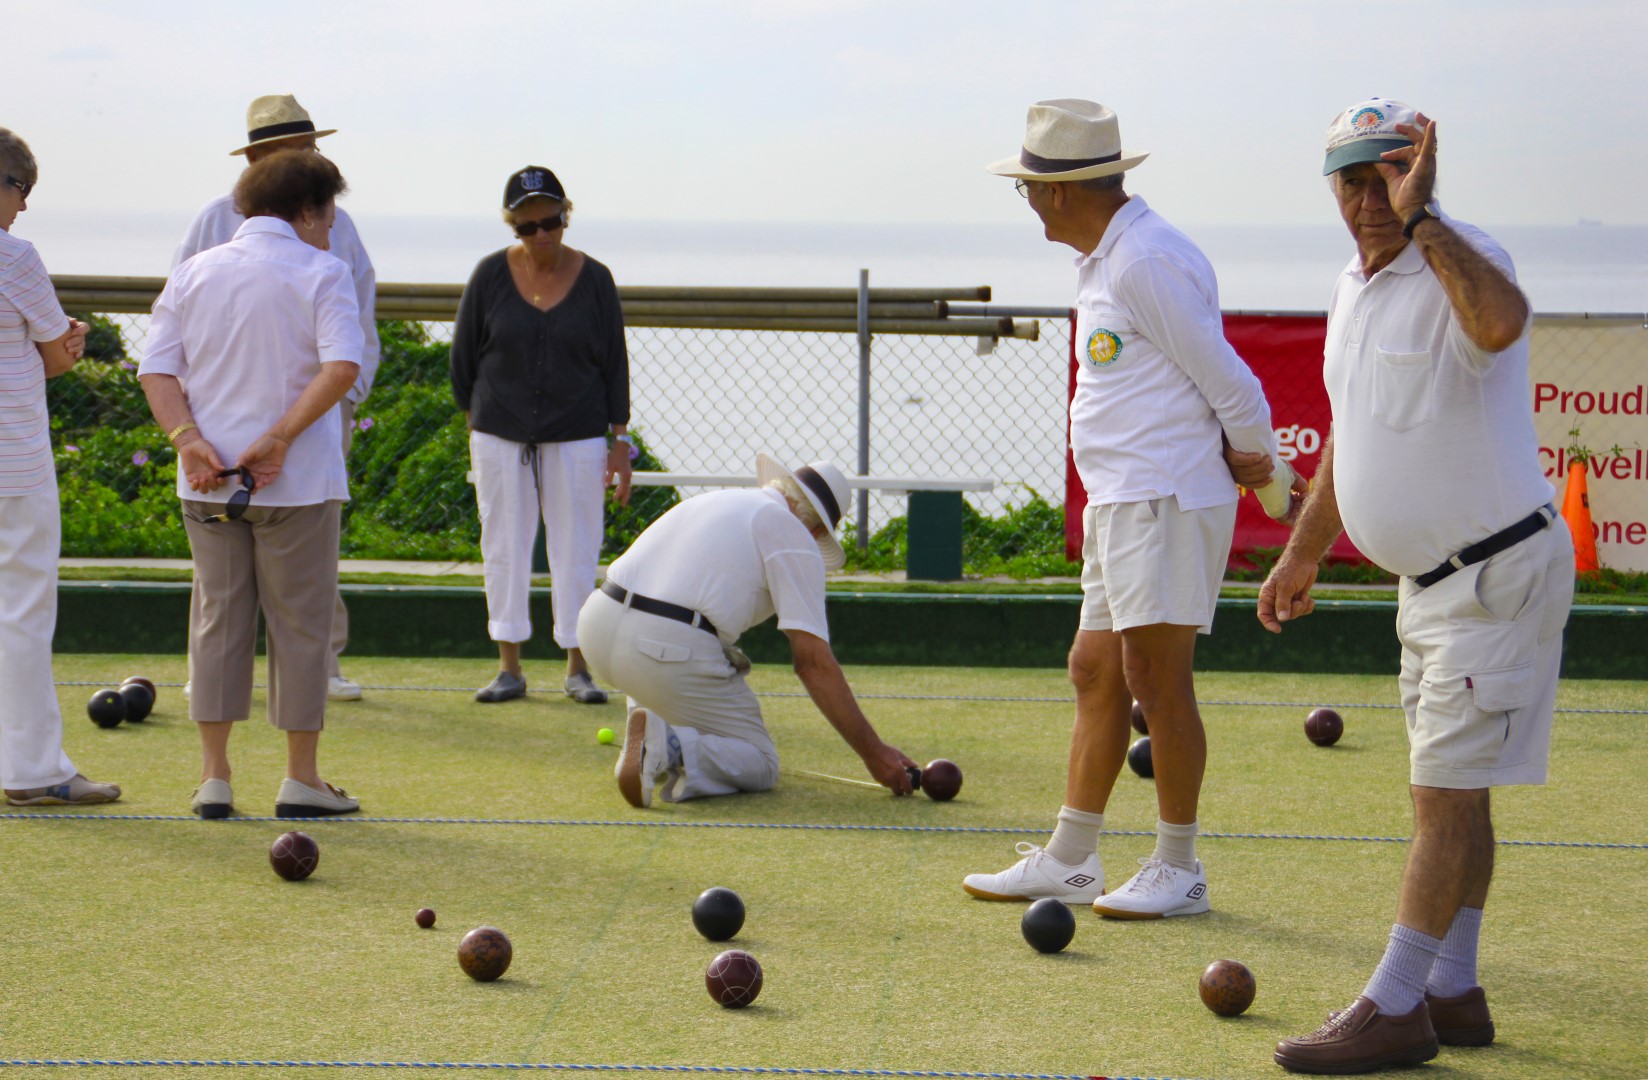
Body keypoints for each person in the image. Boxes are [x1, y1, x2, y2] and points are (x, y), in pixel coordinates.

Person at [1265, 99, 1573, 1074]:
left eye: (1388, 175)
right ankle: (1453, 990)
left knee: (1440, 800)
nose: (1369, 200)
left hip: (1493, 576)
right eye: (1351, 182)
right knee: (1460, 795)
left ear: (1421, 172)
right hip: (1432, 586)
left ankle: (1394, 1005)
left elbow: (1500, 324)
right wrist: (1302, 550)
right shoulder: (1348, 287)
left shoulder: (1459, 257)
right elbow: (1351, 437)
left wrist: (1424, 219)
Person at [961, 99, 1300, 918]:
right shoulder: (1108, 258)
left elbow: (1229, 381)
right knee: (1094, 669)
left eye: (1031, 191)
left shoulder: (1144, 260)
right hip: (1124, 502)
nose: (1030, 205)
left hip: (1165, 497)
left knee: (1156, 677)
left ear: (1063, 192)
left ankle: (1179, 869)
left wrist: (1266, 472)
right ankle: (1073, 859)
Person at [140, 151, 366, 820]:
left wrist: (189, 442)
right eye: (329, 213)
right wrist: (281, 438)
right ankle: (301, 778)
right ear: (309, 210)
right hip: (296, 486)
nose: (332, 227)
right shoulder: (323, 271)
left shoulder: (193, 272)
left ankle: (214, 776)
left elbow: (157, 373)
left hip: (207, 482)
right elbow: (342, 367)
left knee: (217, 620)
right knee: (301, 627)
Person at [173, 93, 379, 703]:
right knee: (218, 557)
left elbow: (360, 312)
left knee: (315, 542)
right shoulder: (214, 219)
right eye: (299, 148)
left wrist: (347, 398)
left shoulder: (338, 221)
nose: (311, 158)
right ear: (260, 157)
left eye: (313, 147)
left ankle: (324, 664)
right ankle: (210, 669)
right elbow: (182, 315)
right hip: (221, 412)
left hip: (316, 407)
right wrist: (192, 419)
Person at [577, 455, 918, 807]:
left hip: (595, 624)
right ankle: (667, 743)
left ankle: (652, 734)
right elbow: (812, 664)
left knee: (667, 665)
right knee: (761, 762)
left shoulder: (719, 501)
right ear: (818, 531)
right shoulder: (794, 535)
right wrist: (875, 753)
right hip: (661, 649)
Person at [449, 166, 632, 706]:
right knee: (502, 545)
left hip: (577, 433)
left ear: (565, 216)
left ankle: (579, 666)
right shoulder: (488, 276)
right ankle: (509, 667)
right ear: (513, 227)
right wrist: (477, 425)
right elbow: (464, 362)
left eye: (551, 221)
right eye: (528, 227)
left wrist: (619, 441)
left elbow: (614, 363)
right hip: (499, 435)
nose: (542, 234)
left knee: (576, 547)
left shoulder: (596, 279)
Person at [0, 128, 121, 807]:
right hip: (12, 463)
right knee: (21, 613)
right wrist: (71, 339)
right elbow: (56, 354)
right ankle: (32, 768)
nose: (22, 209)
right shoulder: (14, 258)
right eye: (21, 192)